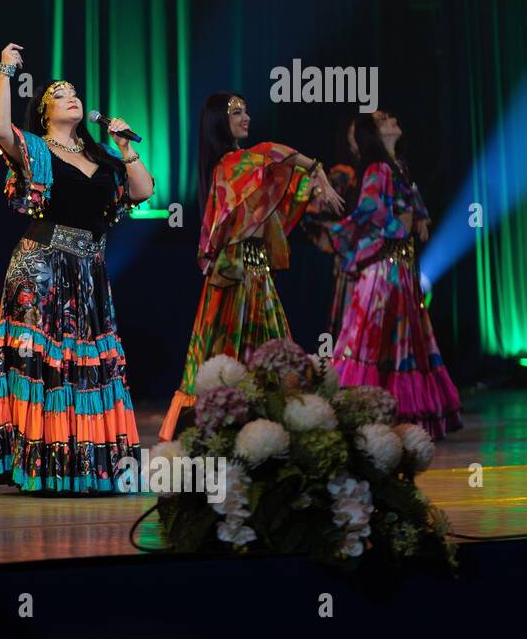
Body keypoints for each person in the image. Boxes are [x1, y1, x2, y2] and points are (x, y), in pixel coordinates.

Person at [0, 43, 155, 494]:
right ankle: (41, 463)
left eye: (74, 91)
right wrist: (6, 69)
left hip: (89, 273)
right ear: (44, 111)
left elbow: (142, 191)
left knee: (85, 366)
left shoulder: (101, 158)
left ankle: (84, 463)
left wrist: (124, 146)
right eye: (60, 93)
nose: (72, 96)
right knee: (47, 365)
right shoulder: (35, 149)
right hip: (40, 268)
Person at [158, 93, 345, 441]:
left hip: (256, 273)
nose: (246, 118)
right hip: (236, 274)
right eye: (237, 113)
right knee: (229, 351)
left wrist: (313, 181)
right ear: (219, 121)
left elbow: (276, 181)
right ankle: (225, 427)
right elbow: (273, 152)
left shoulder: (238, 165)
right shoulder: (232, 164)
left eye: (247, 110)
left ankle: (266, 426)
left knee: (264, 348)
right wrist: (315, 170)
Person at [329, 111, 462, 438]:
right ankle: (360, 414)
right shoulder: (377, 168)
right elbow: (370, 210)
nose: (391, 119)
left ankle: (400, 413)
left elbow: (409, 197)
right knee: (372, 342)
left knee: (402, 344)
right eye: (383, 119)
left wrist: (419, 216)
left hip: (400, 269)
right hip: (382, 271)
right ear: (373, 133)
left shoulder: (397, 166)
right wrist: (399, 226)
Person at [302, 120, 361, 340]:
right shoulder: (343, 175)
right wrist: (343, 233)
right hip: (352, 258)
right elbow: (313, 210)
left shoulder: (383, 168)